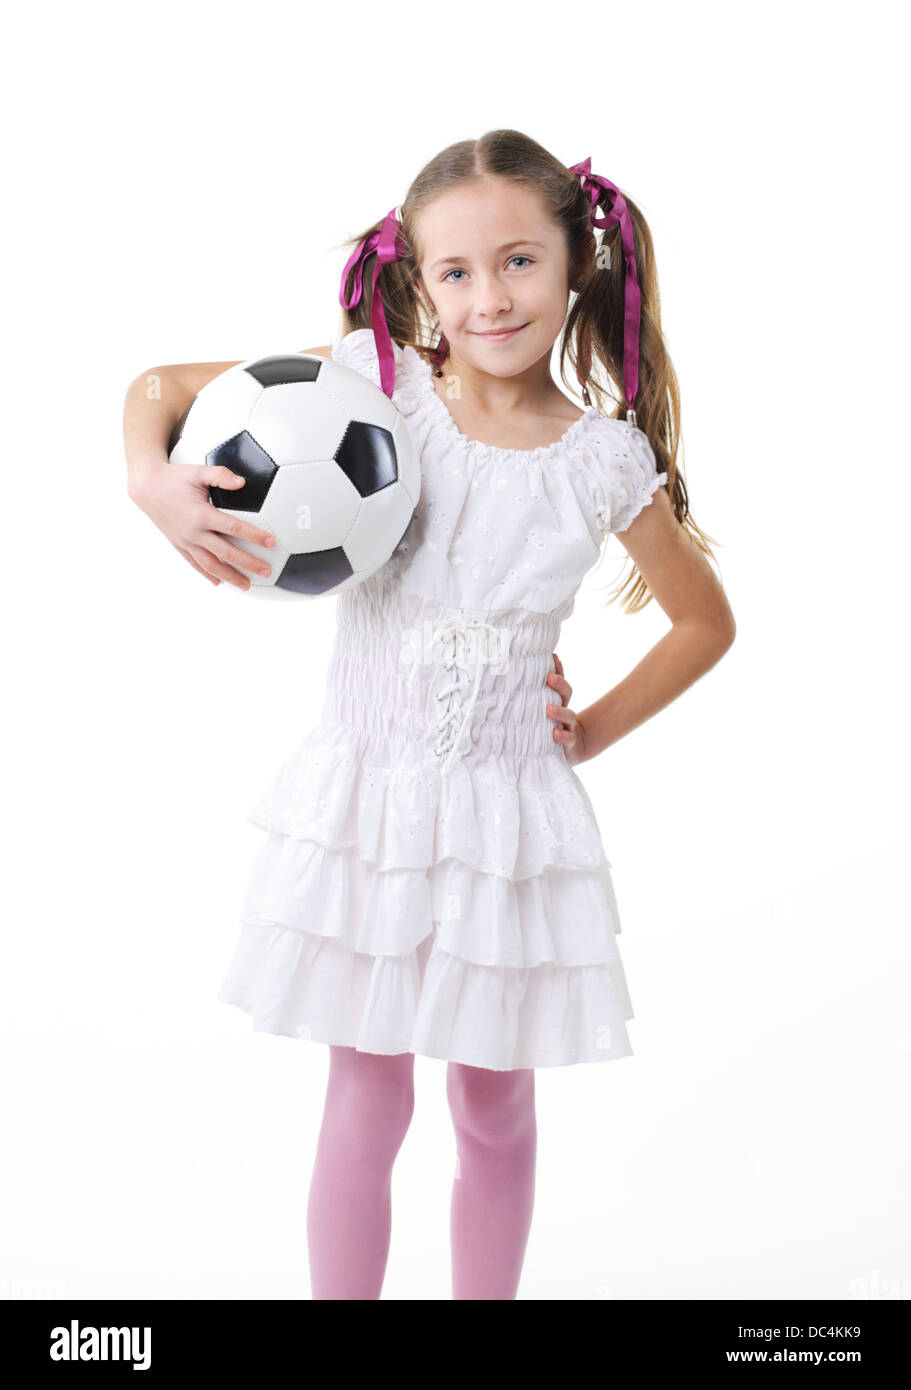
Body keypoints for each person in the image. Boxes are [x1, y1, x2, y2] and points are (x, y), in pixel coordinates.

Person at [122, 128, 736, 1301]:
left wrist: (590, 730)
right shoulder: (372, 389)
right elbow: (160, 389)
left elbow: (703, 621)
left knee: (494, 1099)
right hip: (373, 802)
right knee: (368, 1087)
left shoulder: (601, 459)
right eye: (454, 272)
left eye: (517, 262)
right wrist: (152, 481)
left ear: (574, 266)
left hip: (507, 821)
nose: (487, 296)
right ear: (415, 282)